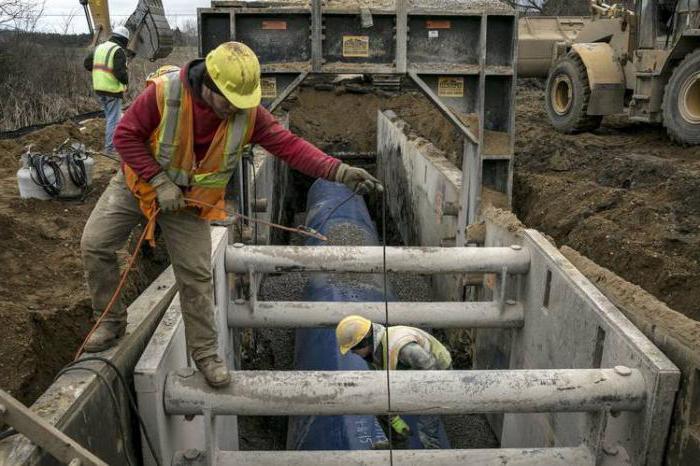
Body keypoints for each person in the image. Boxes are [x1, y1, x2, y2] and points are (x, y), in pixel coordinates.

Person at [80, 41, 382, 388]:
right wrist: (159, 180)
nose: (235, 109)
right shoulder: (165, 94)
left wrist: (339, 171)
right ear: (209, 84)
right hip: (138, 183)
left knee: (195, 275)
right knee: (95, 243)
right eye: (229, 101)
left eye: (242, 102)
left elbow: (291, 147)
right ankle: (111, 320)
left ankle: (206, 355)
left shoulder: (247, 113)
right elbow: (125, 136)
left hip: (188, 202)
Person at [336, 315, 451, 449]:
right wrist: (394, 419)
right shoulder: (373, 352)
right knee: (379, 406)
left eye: (353, 348)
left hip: (438, 376)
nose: (353, 353)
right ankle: (397, 445)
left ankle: (433, 455)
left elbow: (434, 374)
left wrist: (424, 402)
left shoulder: (403, 348)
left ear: (363, 342)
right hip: (411, 373)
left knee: (426, 429)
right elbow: (381, 386)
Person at [84, 26, 130, 154]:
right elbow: (120, 73)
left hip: (99, 88)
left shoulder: (100, 47)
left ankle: (115, 143)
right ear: (124, 40)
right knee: (113, 120)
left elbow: (87, 64)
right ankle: (110, 149)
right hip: (112, 90)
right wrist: (126, 81)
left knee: (111, 117)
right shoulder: (118, 50)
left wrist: (100, 73)